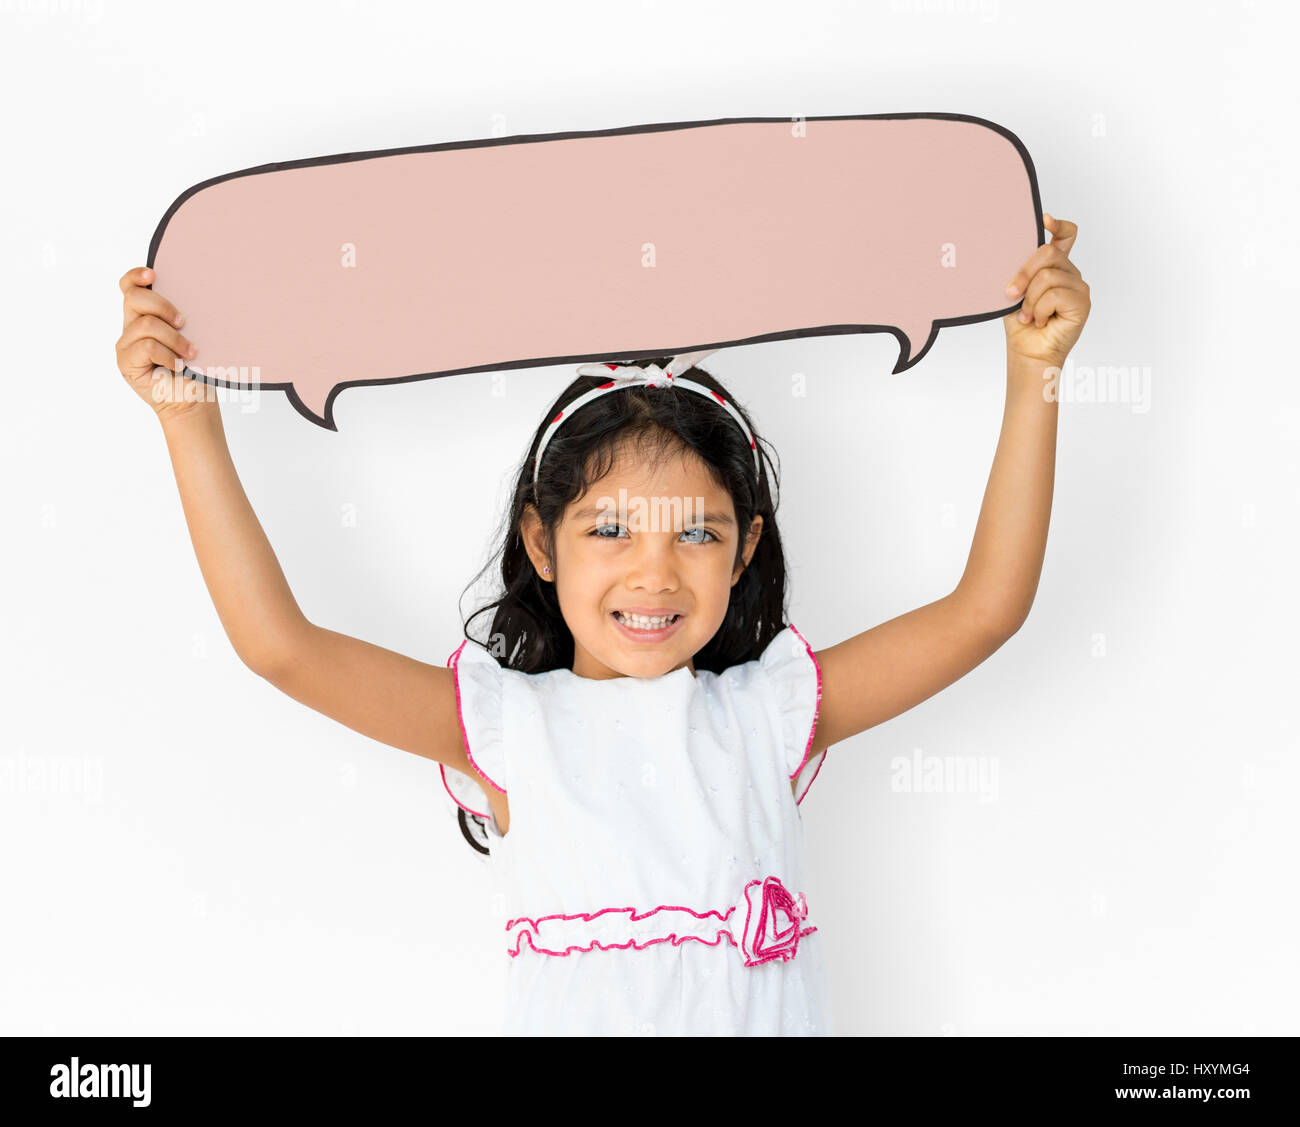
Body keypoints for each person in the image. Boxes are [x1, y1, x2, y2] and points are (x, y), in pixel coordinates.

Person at [114, 213, 1091, 1035]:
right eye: (610, 528)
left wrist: (1034, 371)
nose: (653, 572)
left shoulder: (767, 716)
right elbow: (278, 646)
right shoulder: (508, 728)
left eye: (696, 532)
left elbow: (985, 609)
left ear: (744, 548)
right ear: (542, 542)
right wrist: (186, 420)